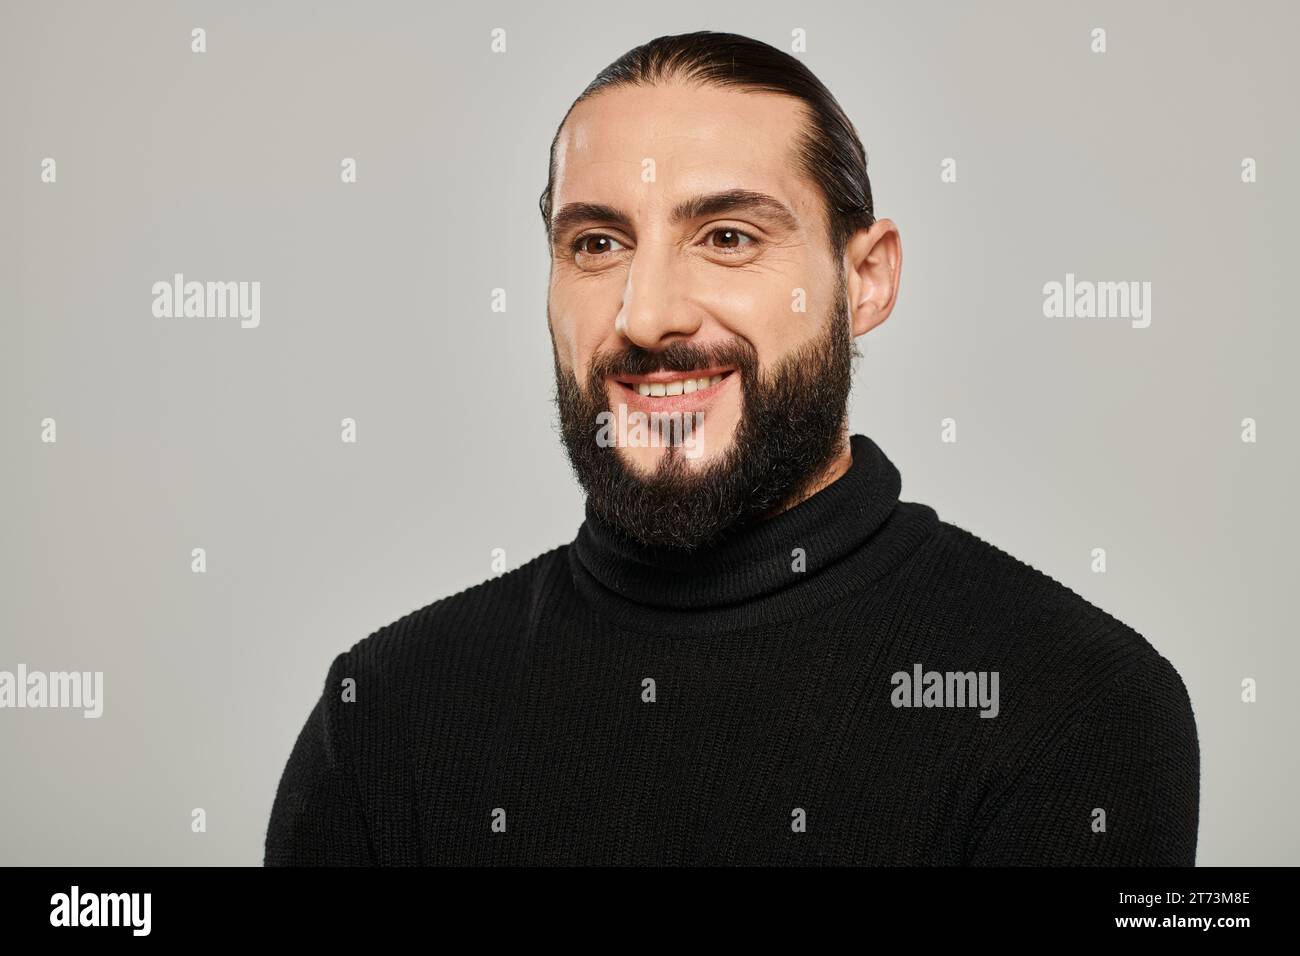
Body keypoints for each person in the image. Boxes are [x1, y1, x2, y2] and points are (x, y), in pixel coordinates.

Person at [265, 30, 1199, 866]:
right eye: (597, 244)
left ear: (864, 279)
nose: (648, 314)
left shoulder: (1069, 700)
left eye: (727, 236)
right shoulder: (388, 707)